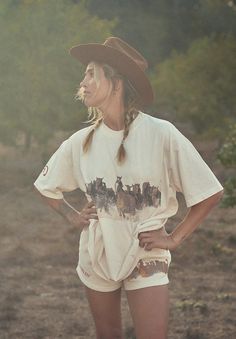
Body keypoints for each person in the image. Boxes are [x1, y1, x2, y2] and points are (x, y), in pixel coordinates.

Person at [34, 37, 223, 339]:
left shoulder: (161, 134)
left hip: (145, 253)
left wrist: (174, 238)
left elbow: (210, 193)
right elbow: (46, 187)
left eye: (92, 73)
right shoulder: (79, 142)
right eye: (84, 74)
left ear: (116, 81)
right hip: (97, 255)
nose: (83, 81)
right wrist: (72, 216)